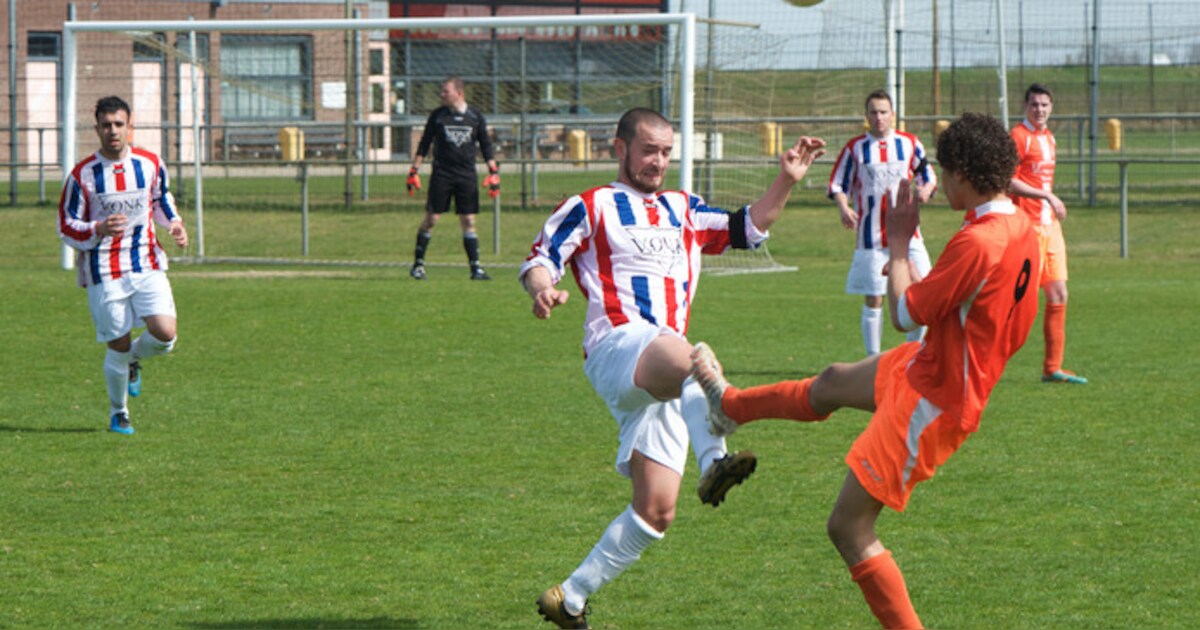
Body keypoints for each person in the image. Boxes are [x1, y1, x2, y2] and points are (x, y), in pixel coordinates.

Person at [691, 113, 1039, 628]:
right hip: (930, 368)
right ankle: (730, 408)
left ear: (964, 175)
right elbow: (984, 311)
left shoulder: (979, 241)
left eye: (944, 174)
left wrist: (899, 243)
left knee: (848, 529)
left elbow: (903, 315)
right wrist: (917, 280)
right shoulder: (1021, 227)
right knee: (832, 381)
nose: (940, 185)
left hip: (935, 399)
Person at [523, 108, 826, 628]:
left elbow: (747, 227)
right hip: (618, 345)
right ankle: (715, 459)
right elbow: (541, 258)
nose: (658, 161)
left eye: (666, 152)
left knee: (656, 512)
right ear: (620, 148)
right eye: (649, 150)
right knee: (695, 361)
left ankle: (569, 597)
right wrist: (543, 290)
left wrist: (786, 180)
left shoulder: (683, 208)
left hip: (664, 368)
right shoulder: (592, 205)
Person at [58, 95, 188, 435]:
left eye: (119, 124)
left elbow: (160, 199)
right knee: (117, 342)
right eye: (106, 125)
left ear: (130, 127)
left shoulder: (150, 163)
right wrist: (98, 228)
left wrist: (173, 224)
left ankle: (133, 359)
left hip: (146, 261)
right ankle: (119, 412)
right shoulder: (82, 175)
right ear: (97, 129)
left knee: (166, 335)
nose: (113, 131)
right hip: (104, 270)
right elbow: (66, 226)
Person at [828, 90, 938, 356]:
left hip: (909, 234)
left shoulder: (909, 143)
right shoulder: (855, 148)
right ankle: (873, 359)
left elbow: (927, 174)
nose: (879, 117)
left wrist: (926, 189)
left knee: (921, 291)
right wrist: (843, 207)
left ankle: (912, 354)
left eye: (883, 112)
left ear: (893, 114)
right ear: (866, 116)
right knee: (874, 296)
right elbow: (838, 184)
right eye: (873, 112)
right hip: (872, 235)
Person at [1009, 83, 1087, 384]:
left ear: (1051, 107)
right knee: (1018, 302)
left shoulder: (1050, 138)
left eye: (1044, 105)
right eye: (1034, 104)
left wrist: (1048, 202)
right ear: (1025, 106)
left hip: (1050, 227)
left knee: (1058, 293)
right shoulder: (1019, 136)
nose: (1039, 109)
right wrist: (1047, 196)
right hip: (1027, 229)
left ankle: (1052, 368)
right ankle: (983, 358)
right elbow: (1007, 180)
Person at [406, 76, 500, 281]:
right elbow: (424, 143)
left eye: (445, 91)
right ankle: (418, 265)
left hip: (466, 175)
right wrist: (414, 170)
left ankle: (475, 268)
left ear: (459, 93)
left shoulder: (475, 116)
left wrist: (494, 172)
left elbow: (486, 145)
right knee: (432, 219)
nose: (441, 95)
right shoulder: (438, 116)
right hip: (442, 174)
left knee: (468, 220)